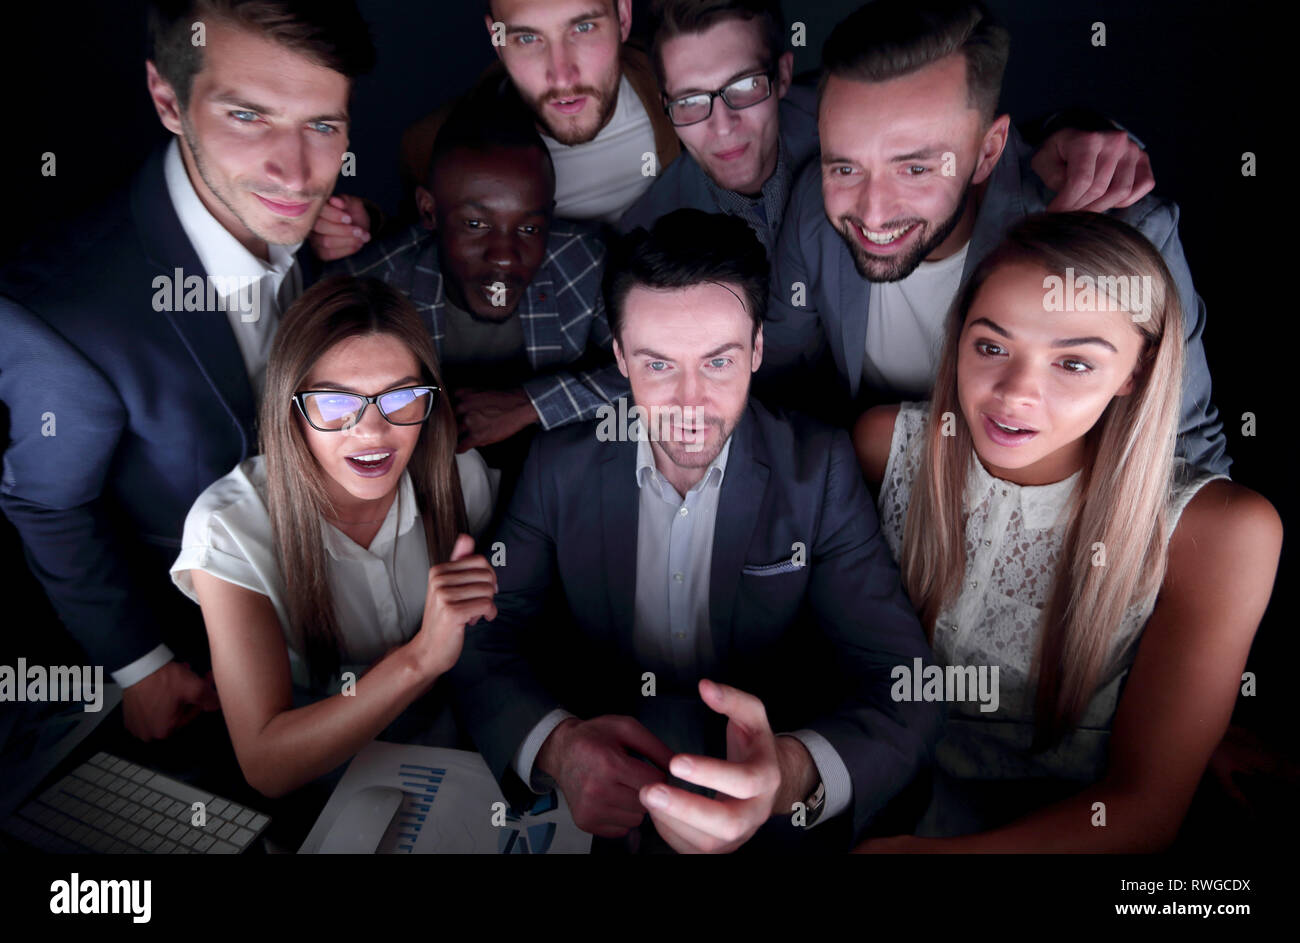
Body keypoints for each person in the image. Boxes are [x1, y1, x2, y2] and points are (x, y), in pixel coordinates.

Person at [449, 209, 944, 853]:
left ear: (758, 349)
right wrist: (560, 751)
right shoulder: (554, 467)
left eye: (718, 363)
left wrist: (788, 778)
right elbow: (487, 640)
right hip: (597, 807)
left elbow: (905, 680)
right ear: (621, 358)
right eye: (658, 366)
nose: (689, 404)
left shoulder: (816, 469)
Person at [0, 0, 375, 742]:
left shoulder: (313, 221)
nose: (298, 174)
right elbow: (49, 506)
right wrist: (140, 664)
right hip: (203, 663)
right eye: (248, 117)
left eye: (323, 126)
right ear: (168, 100)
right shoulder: (65, 316)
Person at [851, 212, 1281, 851]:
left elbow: (1145, 806)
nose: (1015, 393)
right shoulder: (886, 447)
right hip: (886, 795)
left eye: (1074, 363)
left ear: (1136, 370)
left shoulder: (1222, 533)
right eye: (991, 346)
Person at [759, 0, 1229, 479]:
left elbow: (1188, 454)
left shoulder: (1122, 235)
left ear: (988, 152)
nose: (872, 212)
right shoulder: (815, 210)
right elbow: (779, 390)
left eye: (916, 168)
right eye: (846, 166)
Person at [170, 276, 497, 798]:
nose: (371, 432)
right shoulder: (229, 528)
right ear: (291, 410)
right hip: (321, 798)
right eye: (336, 404)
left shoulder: (461, 477)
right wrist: (420, 659)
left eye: (402, 398)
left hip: (461, 770)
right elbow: (266, 764)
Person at [621, 0, 1154, 257]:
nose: (722, 124)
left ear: (783, 74)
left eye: (743, 87)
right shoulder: (649, 225)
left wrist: (1076, 132)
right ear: (665, 104)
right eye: (690, 101)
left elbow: (954, 124)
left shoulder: (847, 105)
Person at [340, 86, 625, 461]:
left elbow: (658, 375)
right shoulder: (371, 286)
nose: (505, 257)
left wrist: (530, 403)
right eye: (476, 223)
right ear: (429, 212)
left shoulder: (581, 261)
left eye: (528, 229)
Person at [396, 0, 679, 225]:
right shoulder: (432, 148)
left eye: (583, 28)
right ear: (497, 39)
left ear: (623, 17)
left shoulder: (681, 82)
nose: (562, 77)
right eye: (528, 38)